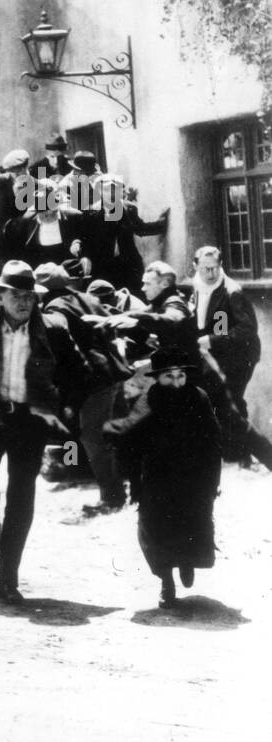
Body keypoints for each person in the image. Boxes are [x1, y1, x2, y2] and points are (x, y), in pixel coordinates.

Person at [0, 261, 90, 604]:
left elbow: (79, 371)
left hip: (30, 421)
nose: (24, 302)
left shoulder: (53, 329)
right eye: (15, 295)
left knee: (22, 495)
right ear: (0, 295)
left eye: (30, 295)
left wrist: (64, 407)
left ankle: (7, 575)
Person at [103, 347, 221, 608]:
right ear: (158, 378)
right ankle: (166, 581)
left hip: (193, 476)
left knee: (193, 523)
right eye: (169, 377)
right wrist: (132, 477)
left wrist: (212, 480)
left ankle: (187, 560)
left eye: (181, 376)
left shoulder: (198, 397)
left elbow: (213, 441)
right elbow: (129, 436)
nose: (177, 383)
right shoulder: (149, 400)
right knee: (154, 528)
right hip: (158, 476)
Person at [34, 262, 133, 516]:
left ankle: (112, 496)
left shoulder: (54, 309)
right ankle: (130, 485)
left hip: (91, 376)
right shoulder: (87, 298)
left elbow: (64, 349)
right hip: (112, 368)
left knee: (92, 436)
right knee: (116, 430)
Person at [189, 246, 262, 464]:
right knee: (220, 399)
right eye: (205, 269)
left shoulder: (232, 292)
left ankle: (245, 455)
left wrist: (212, 340)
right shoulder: (197, 286)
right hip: (216, 355)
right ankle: (234, 451)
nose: (210, 273)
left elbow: (247, 329)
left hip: (239, 356)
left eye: (214, 268)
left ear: (220, 266)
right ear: (195, 267)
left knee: (232, 399)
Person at [78, 175, 169, 293]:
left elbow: (140, 229)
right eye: (105, 190)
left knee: (135, 296)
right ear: (99, 191)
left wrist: (161, 222)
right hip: (103, 266)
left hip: (128, 264)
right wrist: (85, 257)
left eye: (114, 190)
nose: (110, 194)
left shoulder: (128, 209)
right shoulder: (91, 213)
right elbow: (86, 240)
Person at [0, 179, 83, 267]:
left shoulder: (74, 217)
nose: (47, 214)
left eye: (50, 210)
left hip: (66, 273)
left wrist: (78, 245)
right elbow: (8, 251)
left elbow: (87, 242)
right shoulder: (22, 224)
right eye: (42, 211)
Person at [0, 149, 32, 266]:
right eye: (12, 173)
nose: (16, 176)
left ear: (24, 168)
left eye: (18, 172)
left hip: (24, 241)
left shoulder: (35, 185)